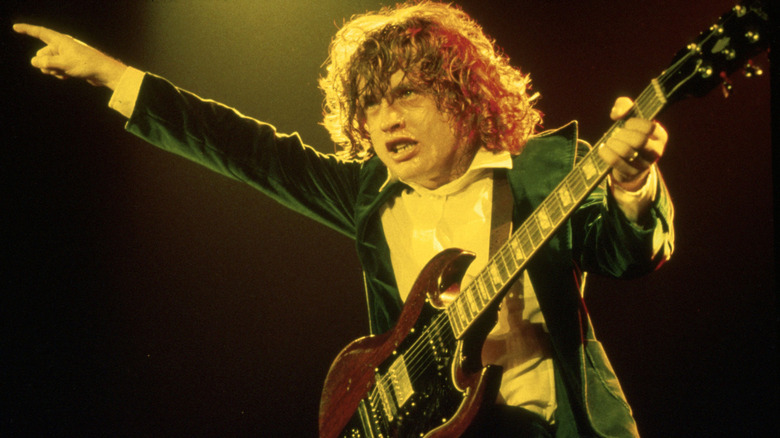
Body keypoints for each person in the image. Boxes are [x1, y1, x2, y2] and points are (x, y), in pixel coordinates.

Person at [14, 1, 673, 436]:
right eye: (369, 105)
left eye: (405, 95)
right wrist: (111, 75)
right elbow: (247, 152)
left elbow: (627, 253)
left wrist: (631, 178)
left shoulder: (545, 169)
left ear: (463, 96)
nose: (383, 119)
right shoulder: (371, 196)